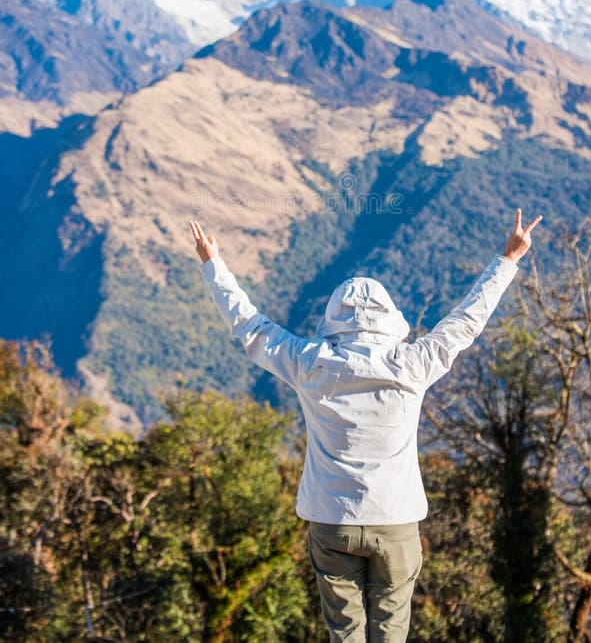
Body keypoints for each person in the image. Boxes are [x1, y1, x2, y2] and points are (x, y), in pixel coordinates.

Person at [189, 207, 542, 642]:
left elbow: (252, 328)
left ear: (333, 318)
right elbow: (464, 323)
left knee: (345, 634)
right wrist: (508, 259)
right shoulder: (413, 363)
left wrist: (213, 265)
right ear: (390, 317)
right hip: (396, 521)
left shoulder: (309, 362)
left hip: (331, 520)